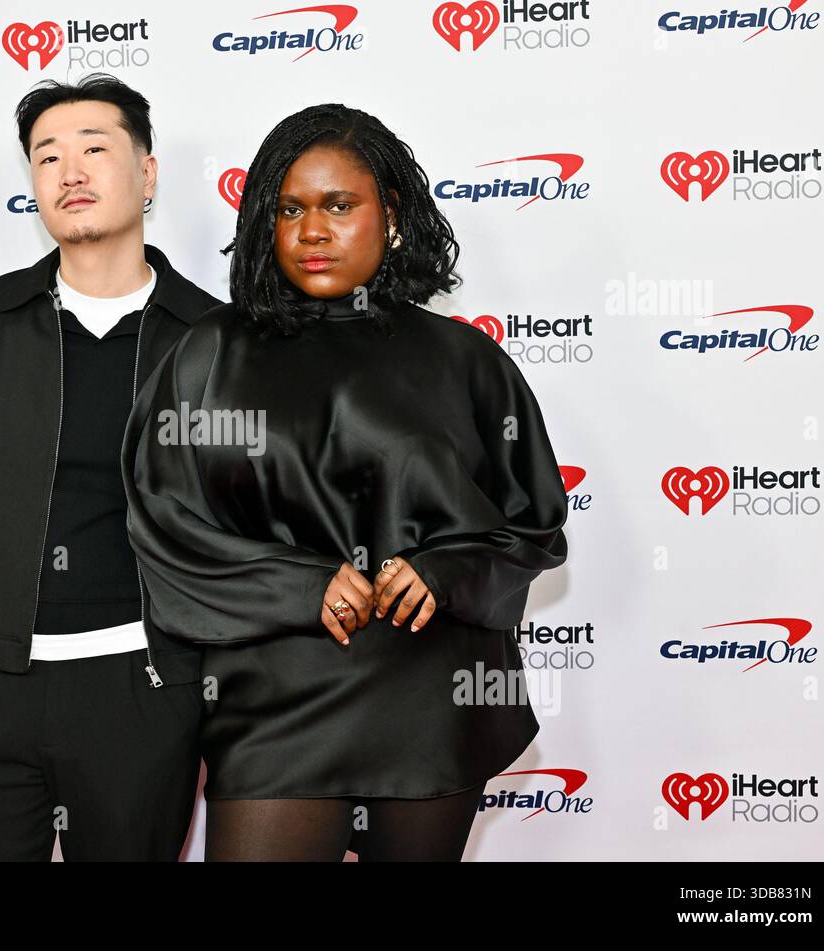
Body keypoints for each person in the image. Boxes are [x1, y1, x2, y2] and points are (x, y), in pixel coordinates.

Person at [121, 103, 569, 861]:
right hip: (273, 695)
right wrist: (301, 586)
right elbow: (163, 520)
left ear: (389, 213)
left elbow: (533, 526)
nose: (312, 231)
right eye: (290, 208)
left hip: (427, 696)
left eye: (338, 205)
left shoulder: (466, 360)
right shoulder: (209, 354)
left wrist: (442, 571)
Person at [0, 73, 221, 860]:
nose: (70, 171)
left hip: (143, 690)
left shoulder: (212, 338)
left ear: (148, 172)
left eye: (95, 149)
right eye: (46, 156)